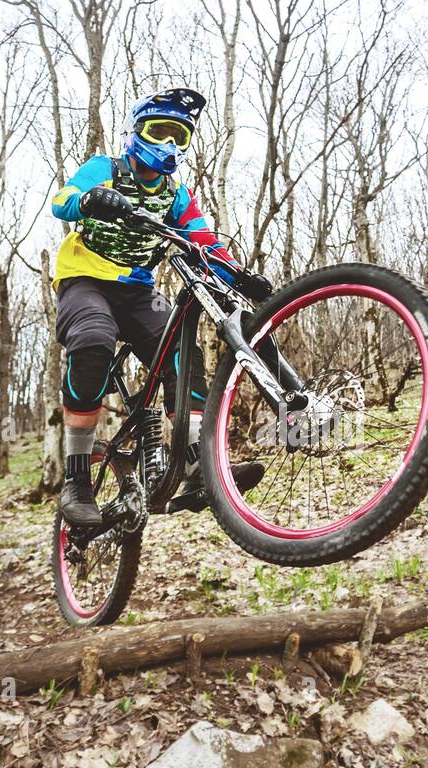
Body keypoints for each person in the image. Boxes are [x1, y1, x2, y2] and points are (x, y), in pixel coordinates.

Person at [48, 87, 271, 528]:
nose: (169, 145)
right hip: (85, 279)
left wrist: (239, 275)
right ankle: (76, 480)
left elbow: (203, 243)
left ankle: (193, 465)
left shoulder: (175, 194)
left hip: (137, 288)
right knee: (92, 338)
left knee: (183, 353)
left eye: (179, 136)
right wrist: (91, 199)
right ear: (137, 132)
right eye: (160, 131)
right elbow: (62, 200)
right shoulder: (106, 168)